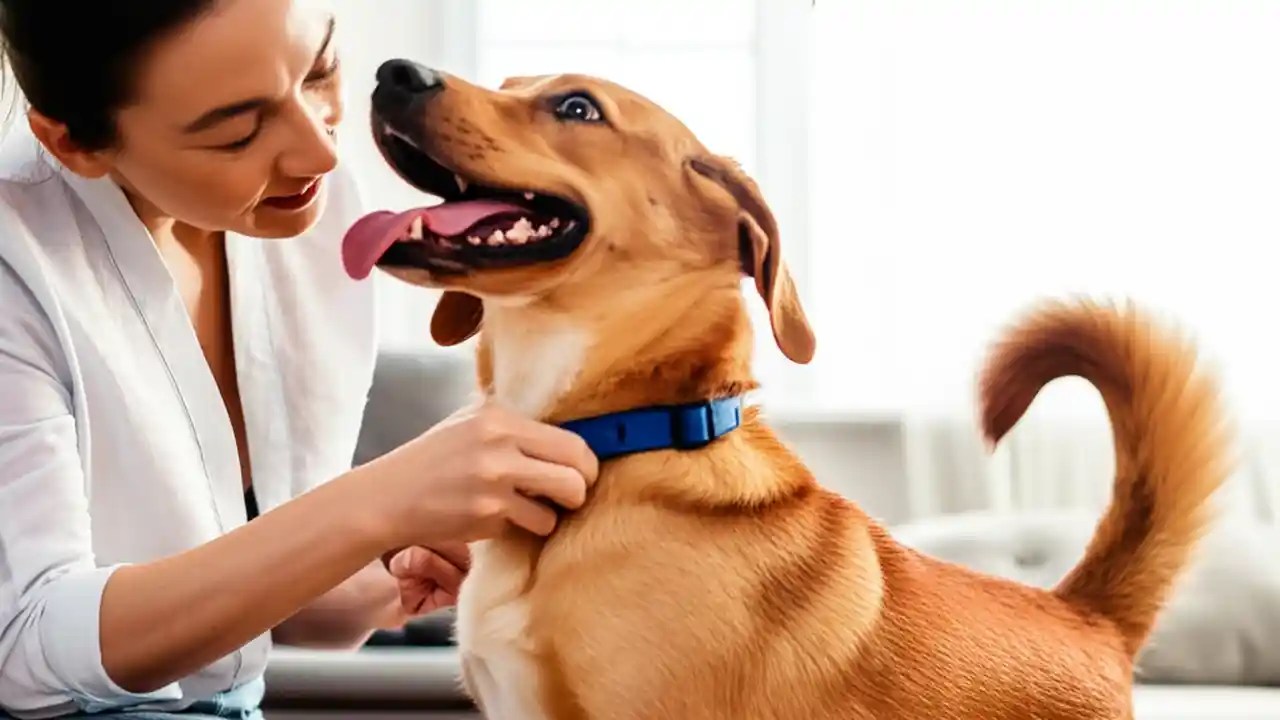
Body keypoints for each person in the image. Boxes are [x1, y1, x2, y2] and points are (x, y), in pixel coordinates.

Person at [0, 1, 598, 718]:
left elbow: (274, 625)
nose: (321, 151)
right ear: (72, 143)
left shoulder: (311, 211)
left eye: (321, 70)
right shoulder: (15, 261)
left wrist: (392, 572)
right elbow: (26, 652)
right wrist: (378, 501)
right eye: (238, 134)